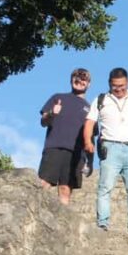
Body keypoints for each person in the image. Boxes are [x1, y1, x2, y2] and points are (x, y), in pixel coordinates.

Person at [83, 67, 128, 234]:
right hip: (110, 148)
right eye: (115, 86)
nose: (118, 89)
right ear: (109, 83)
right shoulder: (101, 99)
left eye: (122, 86)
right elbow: (89, 122)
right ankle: (102, 223)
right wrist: (88, 141)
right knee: (105, 187)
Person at [37, 68, 93, 205]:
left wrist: (90, 161)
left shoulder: (91, 109)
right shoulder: (58, 97)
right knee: (43, 184)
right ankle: (33, 213)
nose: (79, 81)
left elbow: (91, 138)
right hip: (54, 147)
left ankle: (62, 218)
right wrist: (52, 113)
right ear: (71, 80)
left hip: (76, 154)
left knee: (65, 189)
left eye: (84, 79)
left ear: (89, 84)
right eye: (76, 78)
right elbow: (43, 122)